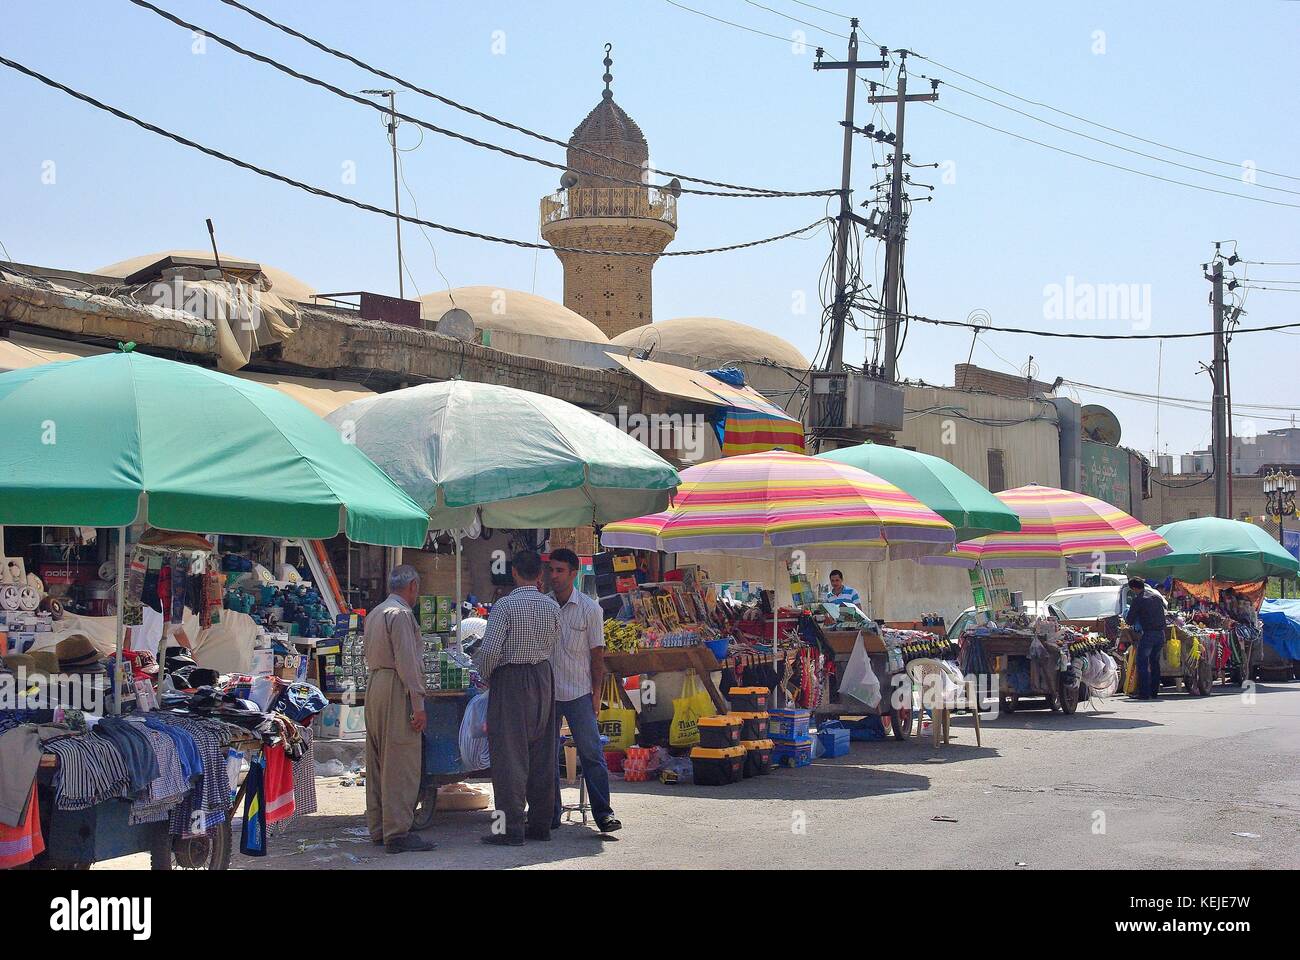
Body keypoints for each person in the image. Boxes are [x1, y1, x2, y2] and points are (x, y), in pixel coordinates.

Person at [474, 550, 561, 846]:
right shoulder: (551, 606)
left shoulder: (504, 606)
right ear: (540, 575)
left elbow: (489, 652)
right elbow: (554, 644)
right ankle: (540, 825)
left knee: (509, 756)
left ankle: (510, 829)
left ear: (513, 574)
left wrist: (485, 677)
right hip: (543, 678)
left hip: (511, 680)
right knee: (542, 754)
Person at [546, 549, 621, 835]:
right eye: (551, 570)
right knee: (546, 756)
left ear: (574, 574)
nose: (554, 576)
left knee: (591, 754)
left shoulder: (591, 609)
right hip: (549, 693)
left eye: (559, 570)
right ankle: (549, 813)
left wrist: (596, 693)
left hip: (579, 692)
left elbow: (597, 655)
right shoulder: (544, 606)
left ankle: (604, 814)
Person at [363, 565, 434, 854]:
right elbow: (408, 663)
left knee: (377, 760)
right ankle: (398, 832)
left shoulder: (376, 612)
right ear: (413, 586)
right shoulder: (402, 615)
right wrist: (418, 705)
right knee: (401, 761)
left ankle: (379, 827)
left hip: (375, 684)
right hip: (395, 686)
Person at [1124, 577, 1167, 700]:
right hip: (1160, 634)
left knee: (1142, 663)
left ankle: (1144, 693)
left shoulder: (1139, 600)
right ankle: (1154, 692)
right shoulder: (1155, 596)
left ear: (1133, 588)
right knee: (1154, 663)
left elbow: (1129, 620)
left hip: (1149, 634)